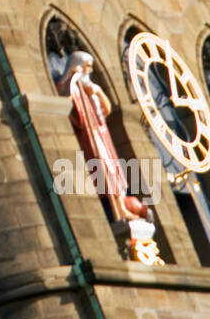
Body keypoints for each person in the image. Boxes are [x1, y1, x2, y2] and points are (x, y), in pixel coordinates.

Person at [57, 51, 147, 221]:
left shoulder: (91, 88)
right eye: (87, 66)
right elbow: (65, 96)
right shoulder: (72, 84)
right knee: (105, 167)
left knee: (114, 169)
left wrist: (97, 92)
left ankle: (121, 206)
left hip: (102, 132)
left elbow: (107, 109)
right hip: (90, 135)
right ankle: (119, 209)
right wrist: (71, 77)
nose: (89, 70)